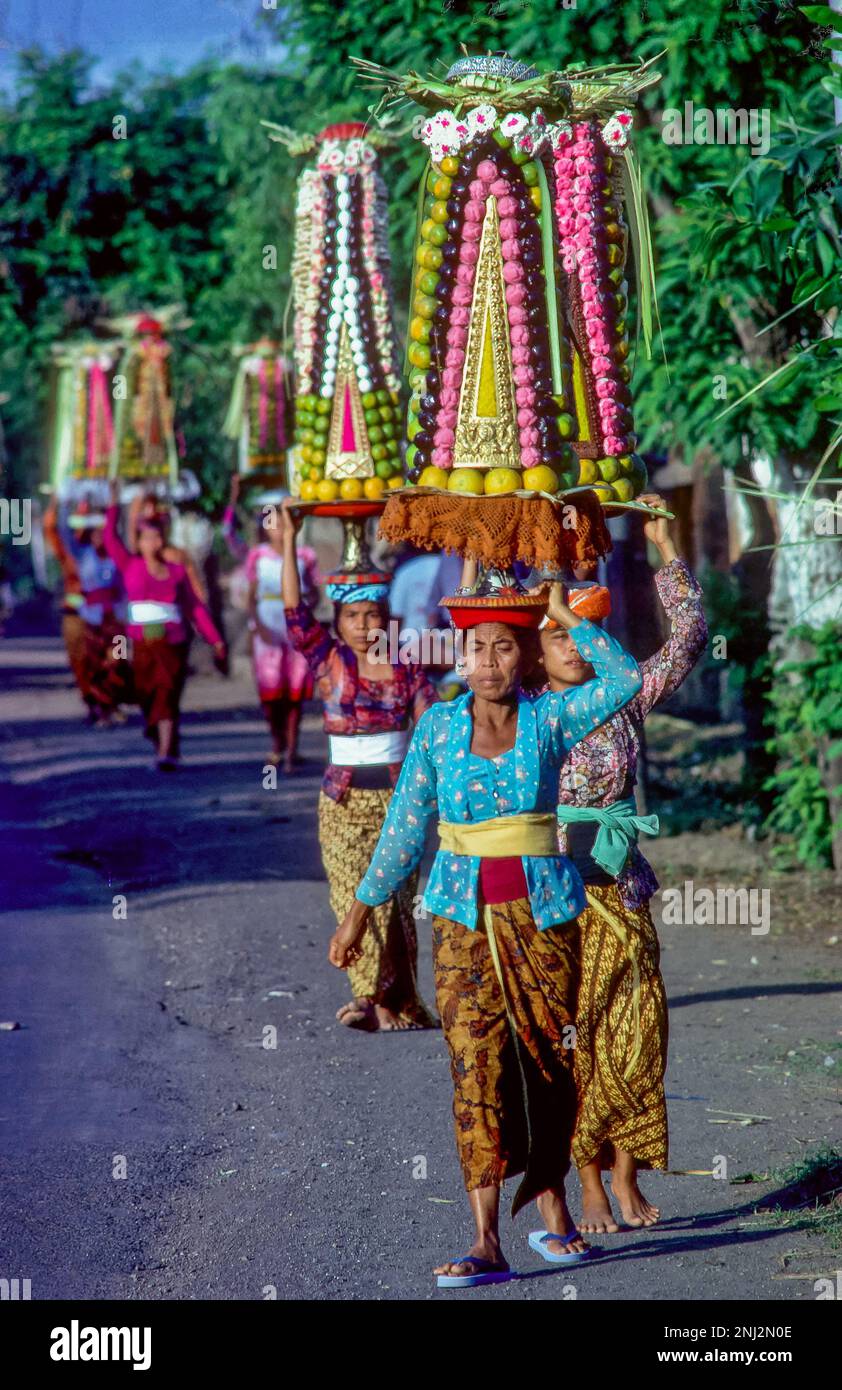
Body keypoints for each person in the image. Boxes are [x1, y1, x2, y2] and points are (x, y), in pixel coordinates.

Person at [329, 575, 642, 1286]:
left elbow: (624, 677)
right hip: (463, 924)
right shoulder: (438, 727)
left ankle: (553, 1208)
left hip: (543, 919)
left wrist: (566, 615)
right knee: (475, 1066)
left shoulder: (553, 716)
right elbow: (406, 827)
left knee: (547, 1062)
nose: (492, 661)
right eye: (479, 649)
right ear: (461, 657)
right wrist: (359, 912)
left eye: (506, 647)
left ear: (526, 655)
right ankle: (483, 1239)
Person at [539, 495, 708, 1232]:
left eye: (582, 628)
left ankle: (628, 1168)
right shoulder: (524, 713)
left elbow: (691, 636)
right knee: (576, 1034)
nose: (570, 643)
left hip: (624, 883)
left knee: (640, 1027)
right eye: (554, 631)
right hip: (557, 892)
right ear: (534, 646)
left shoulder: (623, 699)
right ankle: (589, 1178)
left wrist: (665, 544)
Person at [281, 498, 437, 1033]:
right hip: (343, 800)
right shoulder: (327, 659)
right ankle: (369, 998)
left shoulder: (408, 662)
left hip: (399, 800)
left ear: (386, 616)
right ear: (339, 619)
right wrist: (287, 540)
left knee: (394, 902)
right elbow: (294, 614)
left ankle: (399, 1000)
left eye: (373, 614)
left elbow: (432, 724)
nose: (365, 624)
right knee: (351, 894)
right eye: (353, 615)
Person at [104, 482, 227, 769]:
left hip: (173, 643)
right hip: (142, 645)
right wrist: (112, 504)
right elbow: (111, 539)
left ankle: (165, 752)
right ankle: (161, 741)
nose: (152, 543)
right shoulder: (130, 565)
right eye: (146, 538)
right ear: (140, 541)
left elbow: (194, 608)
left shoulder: (176, 572)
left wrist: (215, 640)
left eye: (157, 537)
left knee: (167, 692)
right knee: (148, 695)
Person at [224, 476, 319, 770]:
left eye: (282, 522)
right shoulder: (258, 557)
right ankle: (276, 740)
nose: (277, 528)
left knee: (295, 692)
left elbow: (314, 592)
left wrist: (307, 611)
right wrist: (258, 625)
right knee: (271, 691)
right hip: (267, 628)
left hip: (296, 632)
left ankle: (292, 748)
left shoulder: (305, 556)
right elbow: (251, 597)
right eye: (272, 523)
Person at [43, 497, 131, 725]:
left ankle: (114, 702)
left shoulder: (118, 557)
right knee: (92, 663)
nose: (100, 537)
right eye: (96, 532)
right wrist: (60, 500)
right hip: (91, 619)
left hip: (116, 622)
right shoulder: (82, 556)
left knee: (118, 660)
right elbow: (59, 531)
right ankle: (100, 706)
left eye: (104, 532)